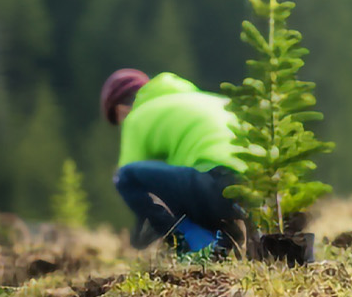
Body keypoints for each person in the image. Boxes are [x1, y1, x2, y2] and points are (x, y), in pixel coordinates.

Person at [101, 68, 247, 255]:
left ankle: (189, 247)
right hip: (255, 188)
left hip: (215, 186)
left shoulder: (138, 115)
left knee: (125, 176)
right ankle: (221, 242)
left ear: (121, 110)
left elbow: (129, 173)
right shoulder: (209, 100)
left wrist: (145, 233)